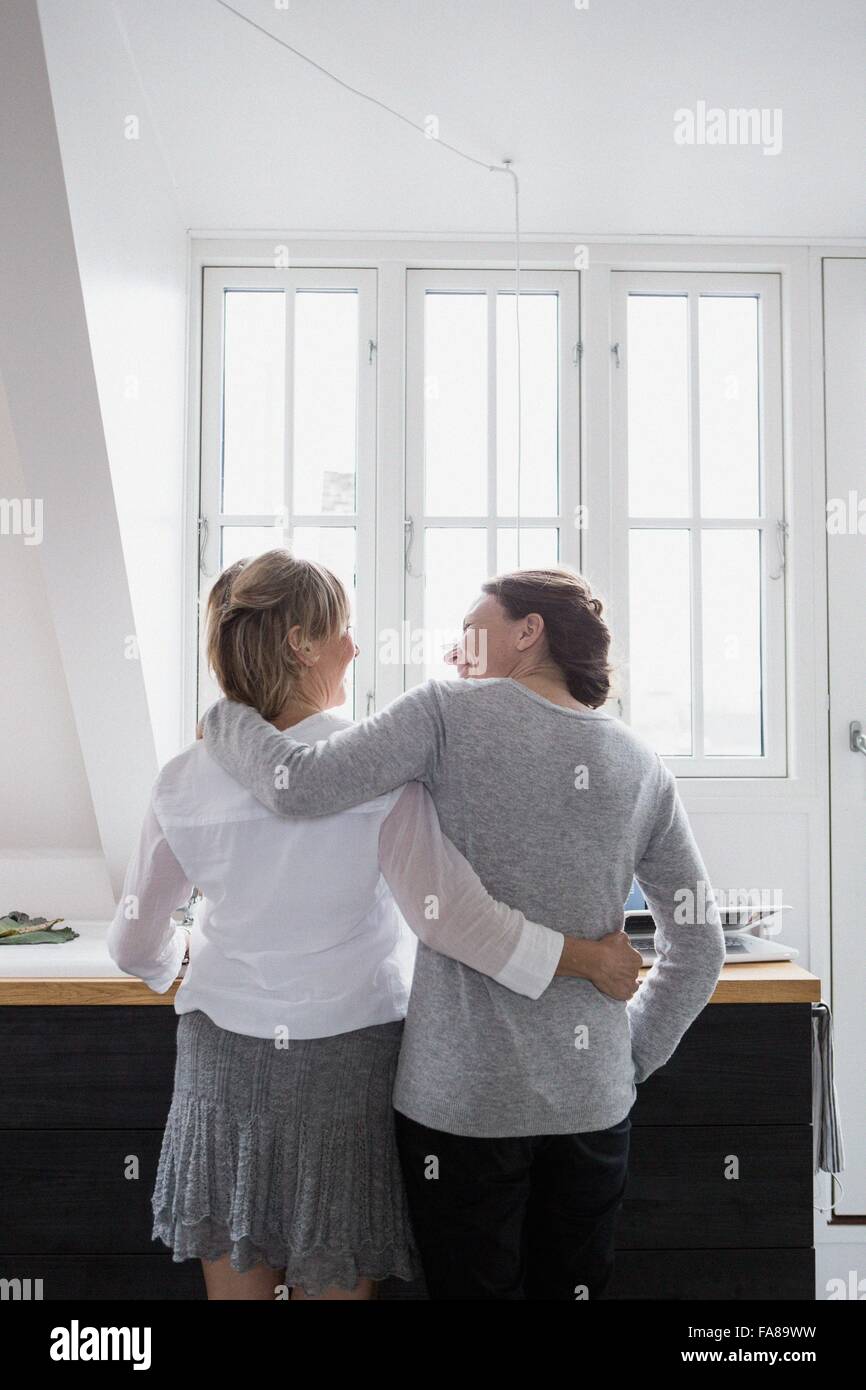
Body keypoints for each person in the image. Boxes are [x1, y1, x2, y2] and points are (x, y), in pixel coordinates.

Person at [109, 551, 639, 1302]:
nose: (356, 648)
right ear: (301, 642)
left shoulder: (184, 775)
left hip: (218, 1065)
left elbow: (134, 946)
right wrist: (586, 959)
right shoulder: (378, 768)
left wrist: (181, 957)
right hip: (345, 1067)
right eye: (345, 630)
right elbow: (450, 918)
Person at [201, 565, 728, 1300]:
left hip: (460, 1104)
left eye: (470, 626)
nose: (455, 647)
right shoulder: (641, 763)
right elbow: (702, 947)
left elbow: (298, 784)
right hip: (591, 1103)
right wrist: (625, 1061)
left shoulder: (446, 714)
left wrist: (225, 718)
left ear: (527, 630)